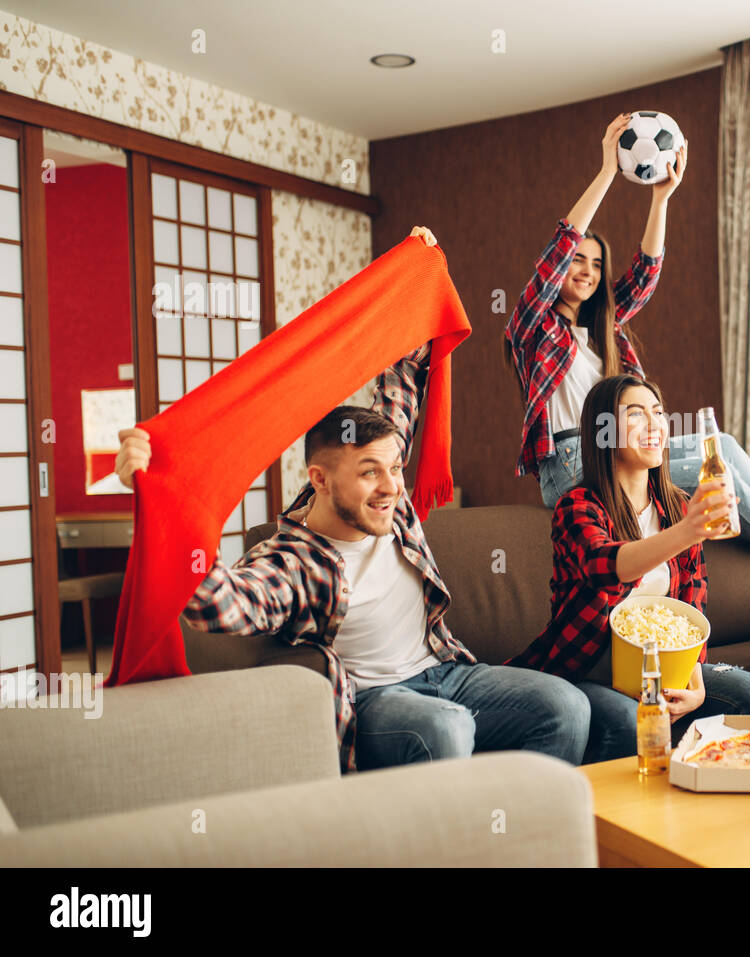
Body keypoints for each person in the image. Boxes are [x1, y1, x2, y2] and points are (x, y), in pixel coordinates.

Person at [114, 226, 590, 773]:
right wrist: (160, 500)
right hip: (375, 700)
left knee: (567, 706)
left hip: (446, 668)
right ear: (318, 479)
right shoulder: (291, 560)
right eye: (369, 473)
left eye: (394, 468)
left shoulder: (392, 498)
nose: (391, 486)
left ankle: (521, 831)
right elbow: (217, 605)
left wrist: (417, 269)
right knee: (447, 726)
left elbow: (405, 374)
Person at [503, 113, 750, 552]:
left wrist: (661, 199)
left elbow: (645, 274)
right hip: (572, 462)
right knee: (718, 471)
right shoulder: (533, 327)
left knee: (722, 445)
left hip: (622, 446)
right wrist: (606, 173)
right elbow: (560, 246)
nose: (587, 271)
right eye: (578, 260)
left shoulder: (606, 331)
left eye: (597, 265)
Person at [508, 373, 750, 763]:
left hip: (665, 667)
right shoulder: (579, 507)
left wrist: (695, 680)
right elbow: (606, 567)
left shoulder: (676, 505)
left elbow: (692, 601)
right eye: (635, 414)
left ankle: (722, 801)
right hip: (592, 669)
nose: (654, 425)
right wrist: (687, 532)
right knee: (631, 720)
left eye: (658, 413)